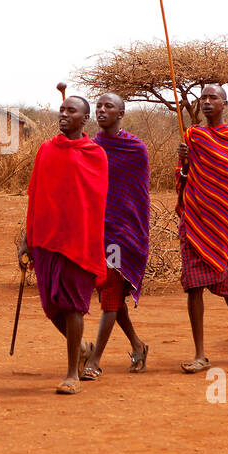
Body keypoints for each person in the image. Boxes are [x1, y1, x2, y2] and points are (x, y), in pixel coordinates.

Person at [19, 94, 108, 394]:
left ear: (85, 120)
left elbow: (93, 204)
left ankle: (72, 373)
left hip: (78, 241)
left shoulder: (95, 155)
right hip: (45, 239)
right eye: (62, 109)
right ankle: (81, 347)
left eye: (71, 111)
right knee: (51, 305)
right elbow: (36, 194)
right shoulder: (46, 149)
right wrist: (26, 239)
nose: (64, 114)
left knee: (73, 307)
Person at [176, 84, 228, 372]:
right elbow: (183, 179)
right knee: (193, 287)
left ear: (225, 103)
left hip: (224, 220)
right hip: (195, 218)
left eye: (213, 98)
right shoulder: (192, 135)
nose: (207, 102)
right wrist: (184, 163)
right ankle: (199, 353)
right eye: (203, 98)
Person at [85, 93, 150, 378]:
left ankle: (94, 360)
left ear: (121, 113)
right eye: (98, 106)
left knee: (111, 289)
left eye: (108, 106)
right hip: (95, 228)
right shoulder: (91, 146)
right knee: (108, 292)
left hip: (124, 230)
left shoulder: (135, 149)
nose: (101, 110)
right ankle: (137, 344)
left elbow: (138, 195)